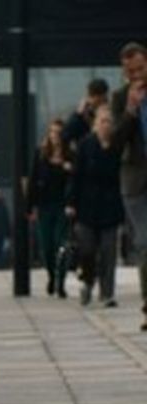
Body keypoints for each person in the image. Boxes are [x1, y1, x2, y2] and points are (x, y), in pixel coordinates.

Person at [66, 105, 124, 308]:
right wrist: (71, 202)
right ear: (95, 124)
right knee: (87, 250)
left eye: (109, 121)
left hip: (110, 206)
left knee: (109, 251)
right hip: (86, 206)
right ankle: (88, 283)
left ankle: (107, 293)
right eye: (102, 121)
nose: (106, 125)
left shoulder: (117, 146)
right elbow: (76, 176)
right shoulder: (86, 145)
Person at [111, 42, 147, 330]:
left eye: (140, 69)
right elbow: (115, 143)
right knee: (145, 242)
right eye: (130, 72)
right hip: (135, 180)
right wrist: (131, 110)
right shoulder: (120, 97)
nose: (136, 75)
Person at [27, 119, 74, 295]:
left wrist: (69, 168)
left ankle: (61, 282)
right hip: (44, 205)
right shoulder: (40, 154)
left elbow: (77, 180)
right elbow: (33, 180)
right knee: (46, 246)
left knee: (61, 244)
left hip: (63, 206)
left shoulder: (70, 155)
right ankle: (51, 276)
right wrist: (29, 206)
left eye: (59, 133)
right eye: (53, 132)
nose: (55, 136)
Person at [62, 78, 110, 150]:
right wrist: (78, 114)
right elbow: (65, 135)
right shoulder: (81, 117)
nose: (103, 100)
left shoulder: (109, 113)